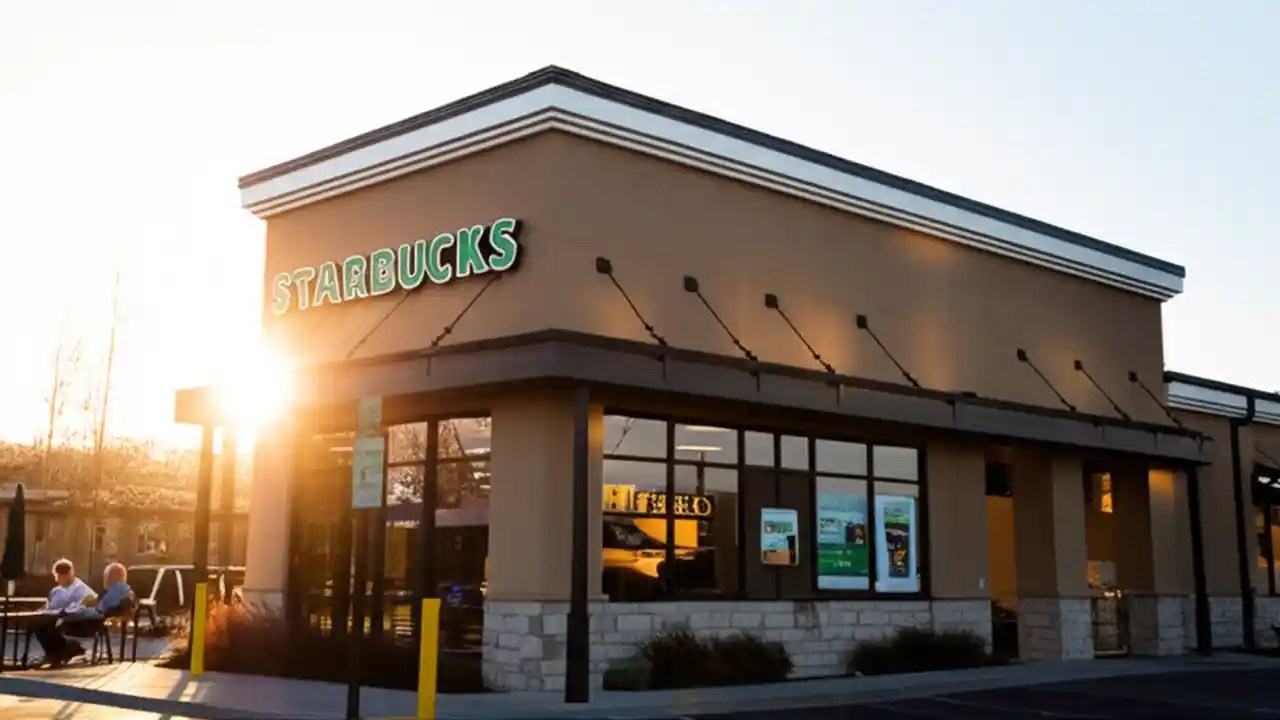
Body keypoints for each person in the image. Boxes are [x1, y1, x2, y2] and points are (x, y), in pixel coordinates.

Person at [35, 562, 135, 667]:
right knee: (43, 625)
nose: (105, 579)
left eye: (107, 576)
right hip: (82, 619)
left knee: (47, 625)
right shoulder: (119, 591)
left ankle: (63, 651)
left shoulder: (116, 591)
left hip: (88, 623)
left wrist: (74, 611)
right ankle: (62, 652)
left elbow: (98, 611)